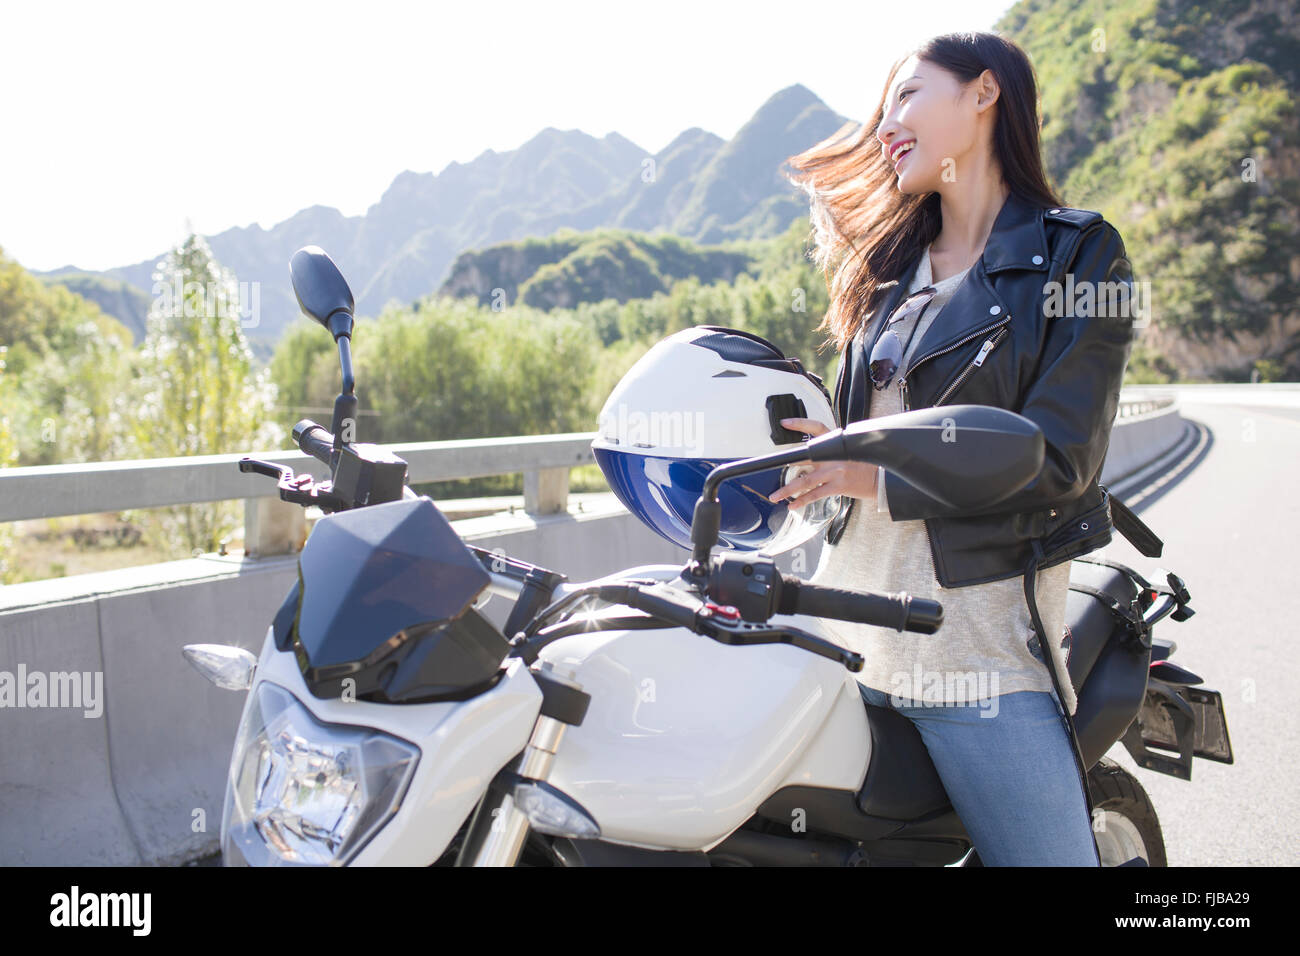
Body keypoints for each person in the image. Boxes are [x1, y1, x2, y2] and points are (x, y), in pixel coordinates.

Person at [771, 31, 1138, 866]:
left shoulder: (1080, 254)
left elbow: (1059, 457)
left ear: (983, 94)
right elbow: (851, 442)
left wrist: (878, 477)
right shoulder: (888, 270)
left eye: (907, 95)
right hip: (835, 646)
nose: (886, 124)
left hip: (973, 663)